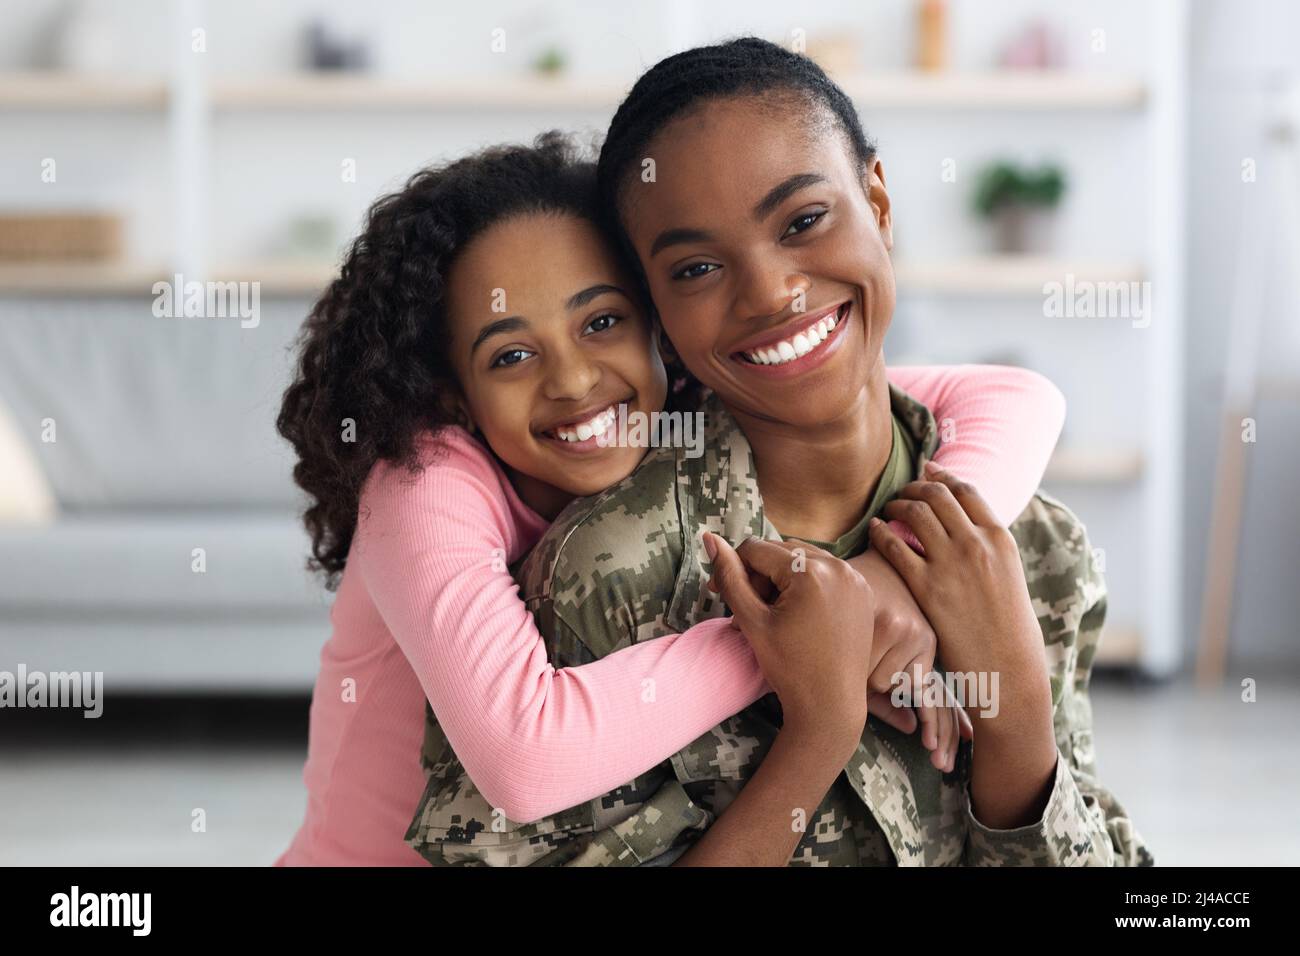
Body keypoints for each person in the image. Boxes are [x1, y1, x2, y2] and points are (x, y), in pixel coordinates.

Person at [406, 37, 1153, 866]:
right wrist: (818, 734)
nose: (770, 293)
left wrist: (1016, 722)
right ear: (658, 311)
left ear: (878, 201)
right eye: (696, 268)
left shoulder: (1037, 546)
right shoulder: (609, 578)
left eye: (803, 221)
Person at [275, 134, 1067, 865]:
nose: (575, 381)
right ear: (452, 395)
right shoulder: (422, 481)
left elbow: (1017, 399)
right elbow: (528, 755)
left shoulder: (674, 399)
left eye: (603, 321)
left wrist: (887, 577)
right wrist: (808, 643)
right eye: (511, 354)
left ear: (654, 321)